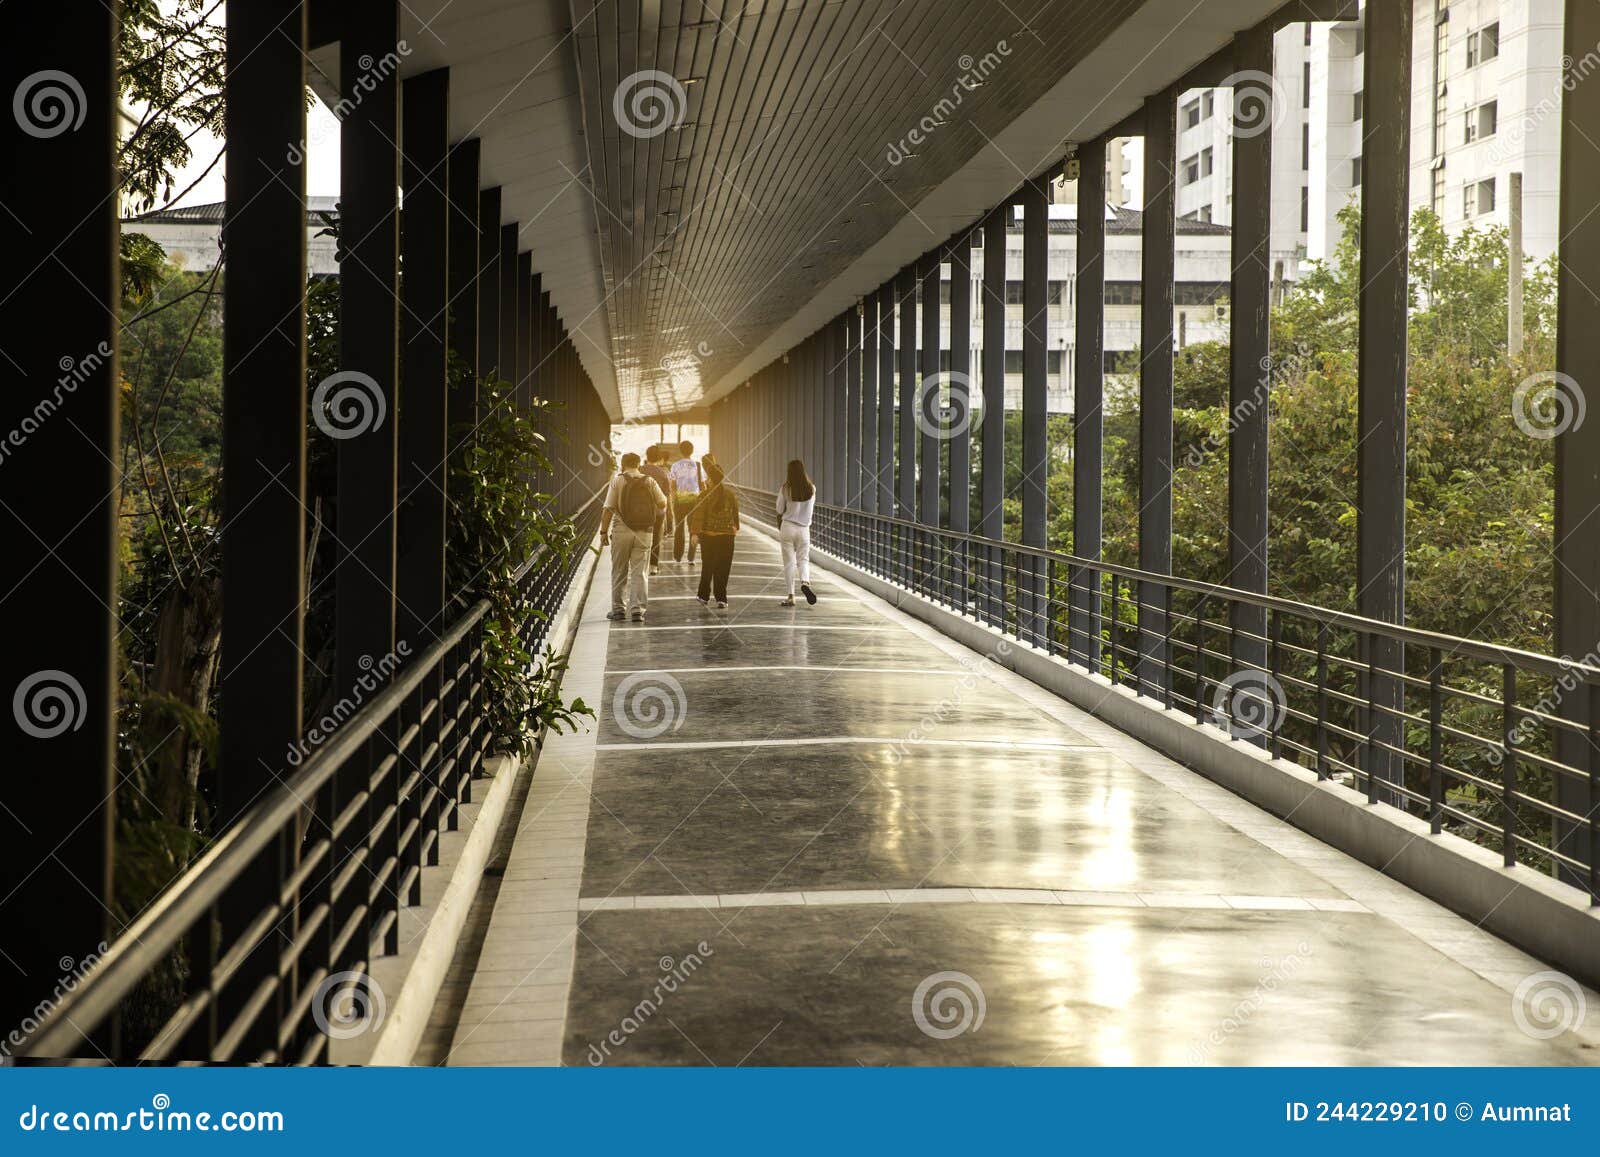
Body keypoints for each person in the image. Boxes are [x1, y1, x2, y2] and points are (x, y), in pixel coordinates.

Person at [599, 452, 667, 622]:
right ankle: (637, 610)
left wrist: (603, 532)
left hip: (621, 530)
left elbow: (607, 509)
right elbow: (662, 503)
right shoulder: (649, 481)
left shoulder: (618, 480)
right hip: (645, 532)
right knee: (640, 572)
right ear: (638, 464)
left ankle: (618, 610)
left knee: (619, 570)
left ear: (623, 464)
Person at [689, 456, 740, 609]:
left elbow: (698, 515)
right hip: (727, 537)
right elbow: (735, 514)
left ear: (709, 478)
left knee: (708, 566)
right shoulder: (730, 494)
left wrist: (695, 533)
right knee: (723, 567)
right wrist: (735, 527)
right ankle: (721, 598)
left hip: (708, 536)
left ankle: (704, 596)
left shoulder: (704, 495)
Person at [775, 458, 818, 607]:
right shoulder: (812, 488)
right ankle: (805, 581)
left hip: (788, 526)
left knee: (789, 563)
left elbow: (779, 510)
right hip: (804, 529)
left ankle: (791, 596)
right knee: (803, 559)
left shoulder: (786, 488)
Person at [640, 446, 675, 576]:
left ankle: (641, 563)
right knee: (656, 537)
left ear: (647, 456)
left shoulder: (639, 471)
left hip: (640, 510)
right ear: (659, 458)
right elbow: (666, 493)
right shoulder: (663, 473)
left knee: (641, 535)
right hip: (658, 511)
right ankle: (653, 566)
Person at [669, 439, 704, 564]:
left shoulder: (675, 466)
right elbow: (702, 484)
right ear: (692, 451)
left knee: (679, 528)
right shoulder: (698, 466)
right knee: (693, 529)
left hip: (679, 500)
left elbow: (672, 486)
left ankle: (678, 556)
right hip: (695, 500)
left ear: (680, 451)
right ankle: (691, 558)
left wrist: (673, 500)